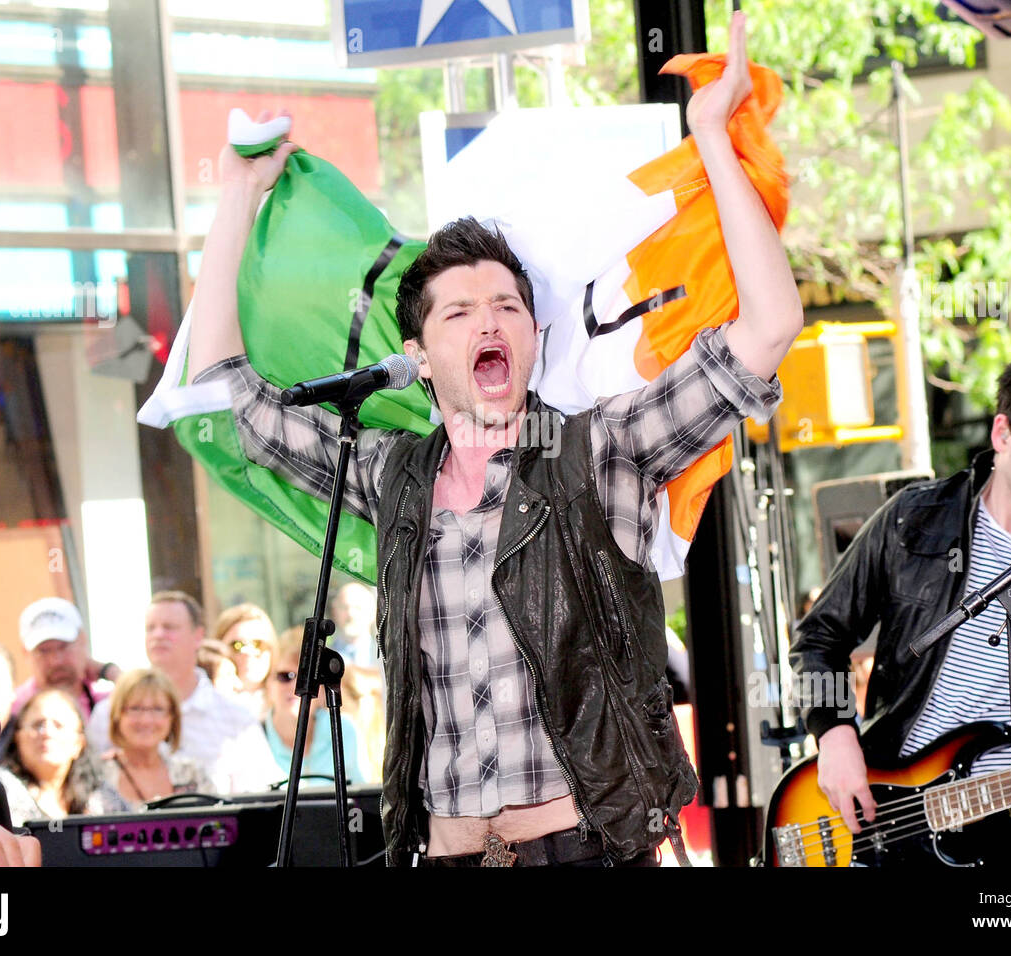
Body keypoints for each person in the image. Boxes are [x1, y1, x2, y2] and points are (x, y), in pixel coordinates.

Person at [188, 12, 801, 865]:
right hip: (445, 853)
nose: (492, 323)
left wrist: (713, 141)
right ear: (418, 356)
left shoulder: (601, 450)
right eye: (462, 312)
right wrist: (236, 199)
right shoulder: (392, 475)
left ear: (535, 341)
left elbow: (768, 328)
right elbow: (240, 403)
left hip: (586, 847)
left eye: (509, 307)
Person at [792, 345, 1011, 865]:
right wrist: (832, 734)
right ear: (1003, 434)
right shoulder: (912, 521)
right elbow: (819, 639)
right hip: (894, 813)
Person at [86, 591, 281, 794]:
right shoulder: (108, 713)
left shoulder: (237, 720)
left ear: (198, 636)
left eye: (169, 627)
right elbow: (86, 784)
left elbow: (258, 797)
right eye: (150, 628)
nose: (158, 635)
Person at [0, 688, 125, 823]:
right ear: (18, 738)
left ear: (79, 744)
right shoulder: (2, 791)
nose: (47, 733)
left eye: (58, 726)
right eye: (38, 725)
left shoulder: (102, 797)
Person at [99, 668, 213, 809]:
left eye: (158, 709)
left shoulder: (192, 774)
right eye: (135, 708)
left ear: (172, 717)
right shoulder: (96, 775)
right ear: (117, 714)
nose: (146, 720)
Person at [263, 626, 364, 786]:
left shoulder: (343, 729)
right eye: (286, 676)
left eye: (307, 678)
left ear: (323, 690)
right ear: (268, 684)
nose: (296, 687)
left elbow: (359, 799)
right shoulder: (252, 738)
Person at [13, 597, 117, 722]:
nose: (56, 661)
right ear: (25, 653)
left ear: (82, 640)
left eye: (63, 647)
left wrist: (109, 671)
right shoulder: (14, 710)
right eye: (43, 651)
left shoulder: (107, 701)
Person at [212, 603, 276, 716]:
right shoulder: (204, 702)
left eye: (258, 644)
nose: (248, 652)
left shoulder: (291, 699)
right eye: (237, 645)